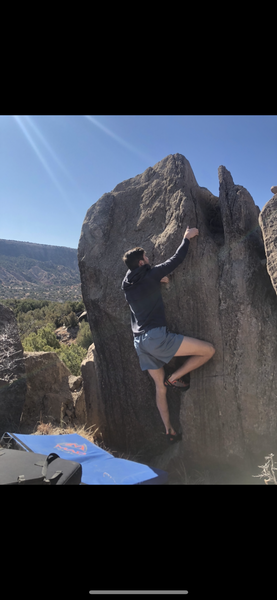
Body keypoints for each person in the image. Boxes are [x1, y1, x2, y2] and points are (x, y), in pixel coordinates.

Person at [121, 226, 215, 444]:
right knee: (209, 350)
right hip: (156, 339)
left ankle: (169, 430)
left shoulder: (127, 284)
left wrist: (157, 280)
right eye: (146, 257)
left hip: (140, 343)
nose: (148, 258)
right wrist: (186, 238)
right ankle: (175, 377)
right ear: (142, 263)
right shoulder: (151, 275)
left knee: (158, 387)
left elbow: (142, 278)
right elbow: (175, 260)